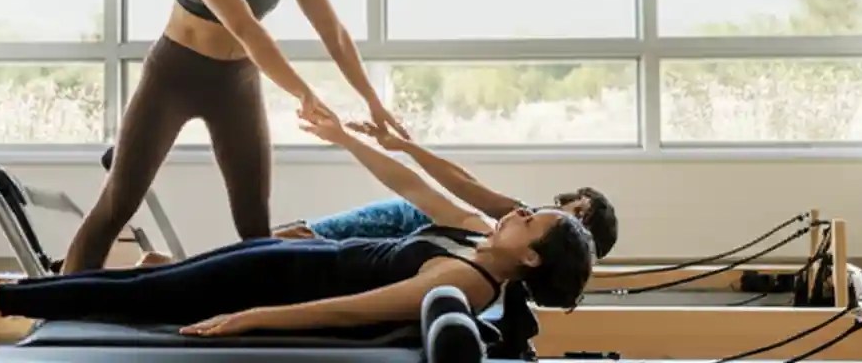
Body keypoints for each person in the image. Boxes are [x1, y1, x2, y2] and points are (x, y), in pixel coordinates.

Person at [62, 0, 407, 274]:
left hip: (235, 84)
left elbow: (335, 35)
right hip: (174, 76)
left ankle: (258, 324)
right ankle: (53, 309)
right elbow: (245, 29)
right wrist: (303, 93)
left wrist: (373, 102)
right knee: (117, 204)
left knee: (255, 221)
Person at [0, 117, 594, 339]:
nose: (519, 209)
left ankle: (2, 293)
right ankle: (1, 293)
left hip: (275, 276)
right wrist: (342, 137)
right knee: (142, 297)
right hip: (280, 258)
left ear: (531, 259)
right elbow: (411, 186)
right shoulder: (474, 236)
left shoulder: (465, 280)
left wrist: (252, 318)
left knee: (142, 300)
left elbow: (345, 310)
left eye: (531, 220)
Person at [135, 123, 617, 267]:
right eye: (567, 205)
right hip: (416, 219)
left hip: (417, 230)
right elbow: (455, 182)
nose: (556, 210)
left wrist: (395, 146)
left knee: (296, 239)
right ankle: (182, 267)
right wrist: (401, 145)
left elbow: (454, 185)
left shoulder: (523, 239)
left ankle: (178, 267)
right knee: (293, 236)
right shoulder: (517, 218)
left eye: (573, 213)